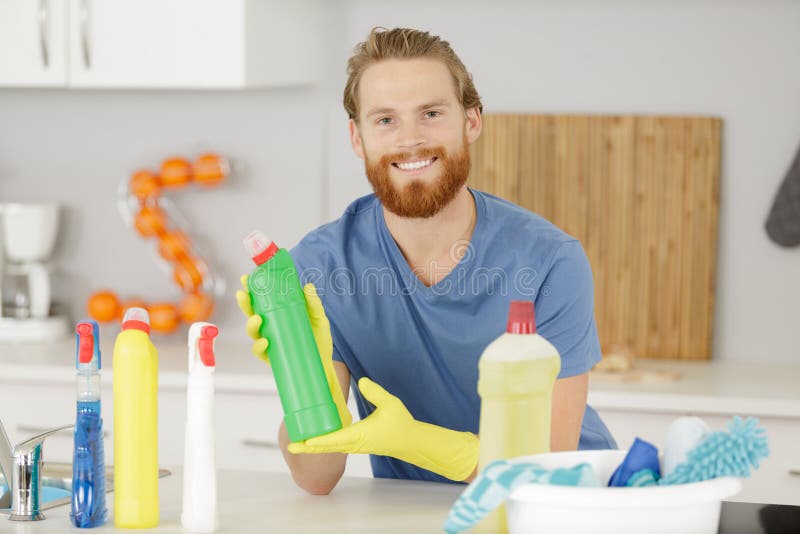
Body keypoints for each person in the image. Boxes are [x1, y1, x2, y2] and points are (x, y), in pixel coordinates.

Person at [236, 27, 616, 496]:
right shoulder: (321, 265)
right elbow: (316, 476)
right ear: (357, 138)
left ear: (471, 121)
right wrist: (306, 383)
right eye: (385, 120)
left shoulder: (549, 262)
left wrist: (423, 444)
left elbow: (547, 473)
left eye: (431, 113)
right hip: (413, 511)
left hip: (560, 511)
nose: (410, 140)